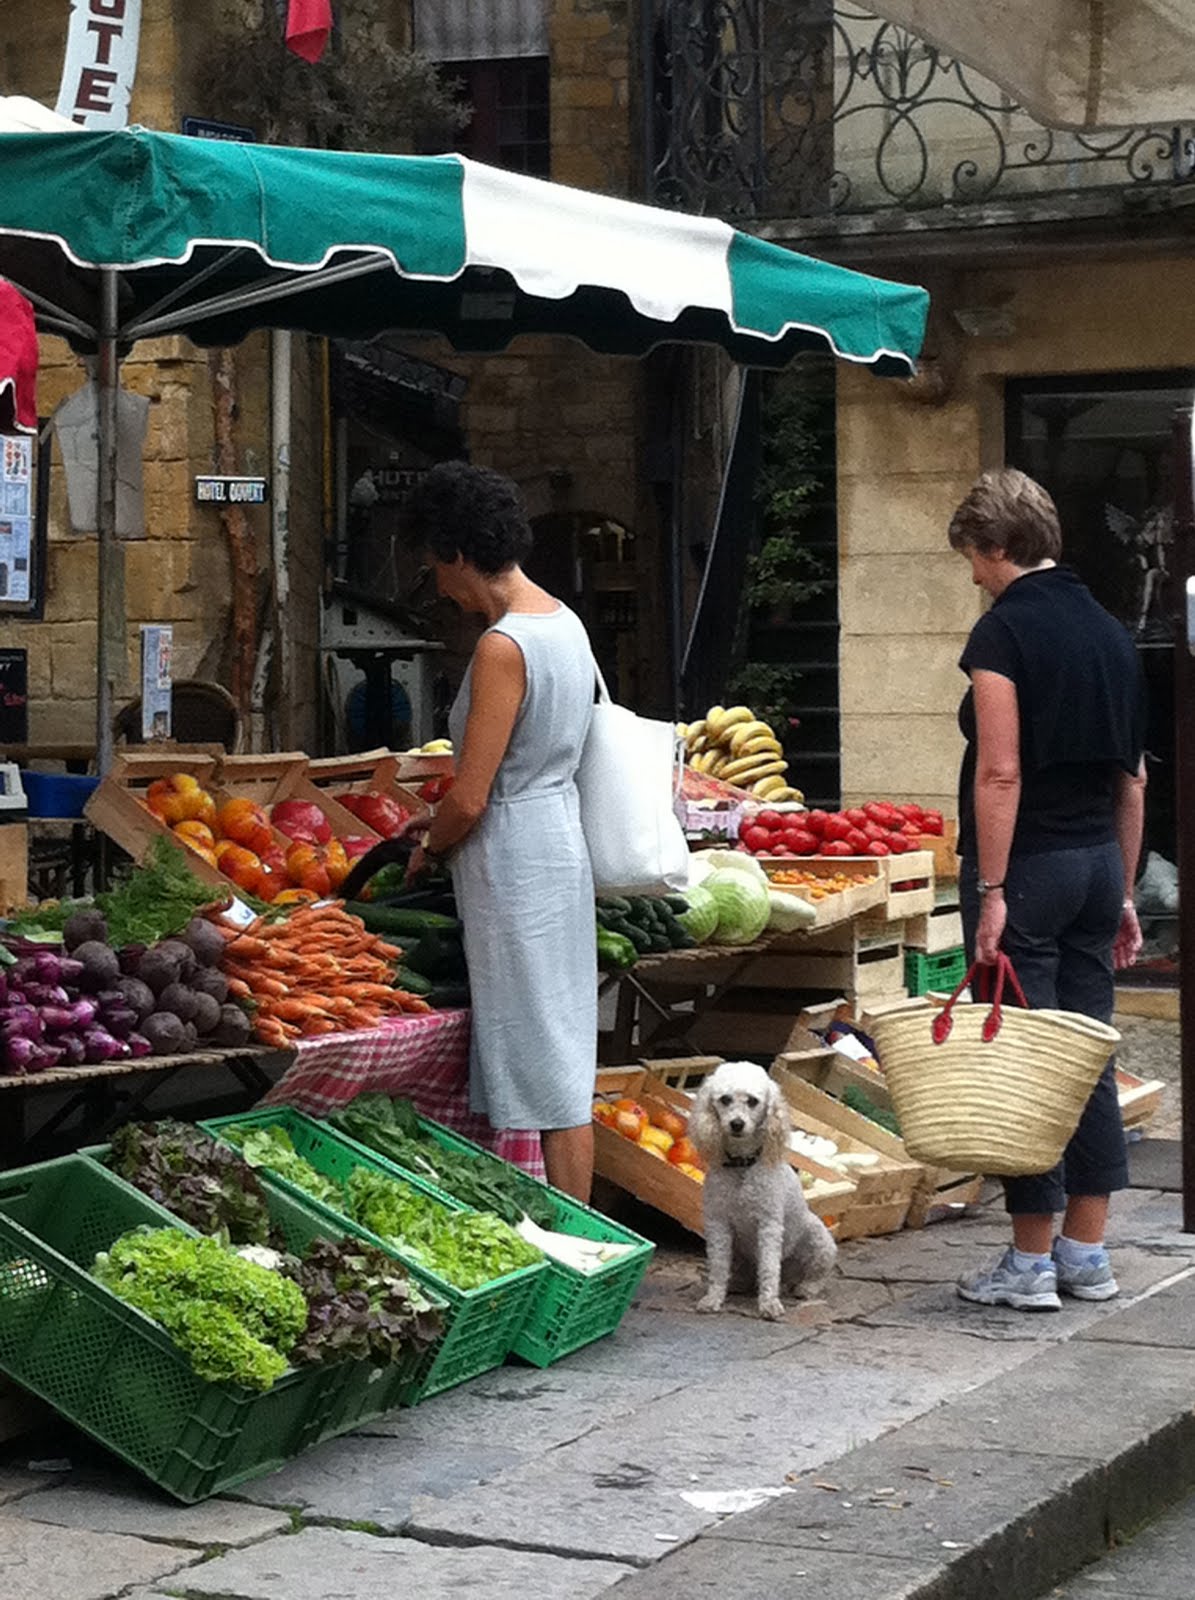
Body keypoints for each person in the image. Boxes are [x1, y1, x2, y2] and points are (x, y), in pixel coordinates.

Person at [947, 468, 1147, 1312]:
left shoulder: (1003, 634)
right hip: (1099, 862)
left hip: (1027, 869)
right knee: (1085, 1054)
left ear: (998, 547)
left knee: (1023, 1062)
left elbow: (999, 770)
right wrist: (1127, 891)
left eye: (973, 558)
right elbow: (1130, 781)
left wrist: (992, 887)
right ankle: (1087, 1254)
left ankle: (1029, 1262)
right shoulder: (1110, 631)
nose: (971, 575)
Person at [399, 461, 598, 1202]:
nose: (439, 587)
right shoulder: (563, 623)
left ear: (455, 553)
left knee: (548, 1065)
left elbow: (471, 797)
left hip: (514, 859)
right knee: (562, 1045)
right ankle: (574, 1227)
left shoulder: (501, 645)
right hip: (557, 837)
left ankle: (578, 1235)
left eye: (434, 567)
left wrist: (430, 843)